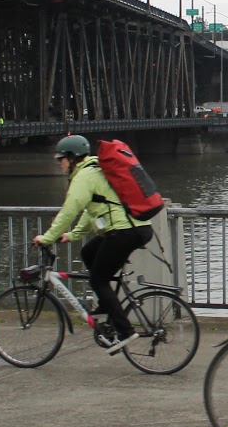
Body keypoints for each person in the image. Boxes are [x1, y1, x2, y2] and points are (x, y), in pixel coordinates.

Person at [35, 135, 155, 354]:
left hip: (125, 231)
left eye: (61, 159)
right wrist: (72, 236)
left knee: (98, 279)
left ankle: (125, 331)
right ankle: (106, 305)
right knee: (88, 252)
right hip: (132, 228)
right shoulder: (94, 170)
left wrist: (47, 238)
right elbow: (91, 211)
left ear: (72, 158)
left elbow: (69, 210)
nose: (59, 164)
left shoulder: (84, 177)